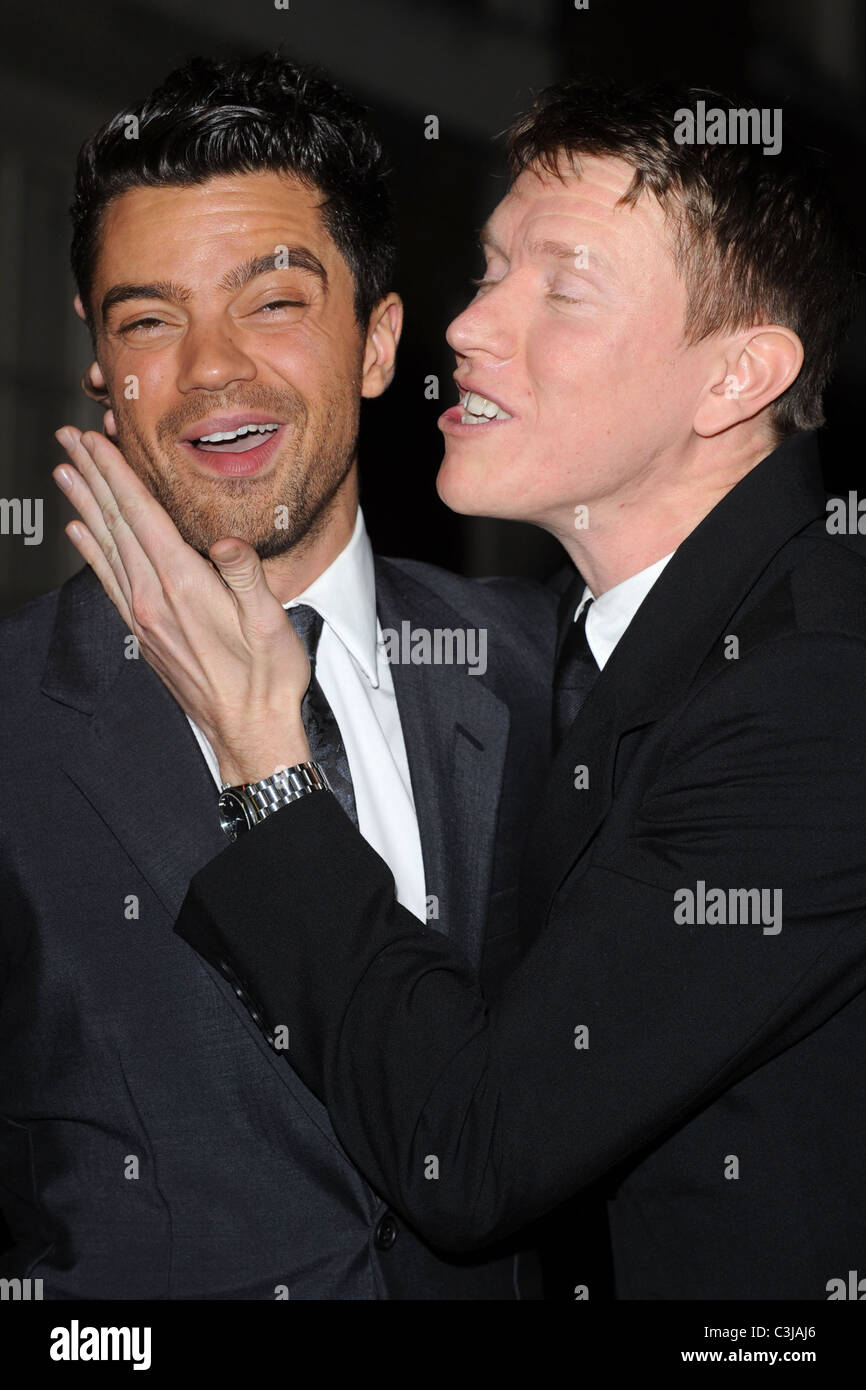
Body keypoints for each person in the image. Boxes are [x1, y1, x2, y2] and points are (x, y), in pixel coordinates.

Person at [60, 78, 865, 1301]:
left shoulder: (814, 689)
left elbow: (474, 1149)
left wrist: (267, 764)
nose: (472, 326)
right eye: (492, 272)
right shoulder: (587, 646)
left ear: (733, 379)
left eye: (562, 286)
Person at [0, 52, 556, 1300]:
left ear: (378, 342)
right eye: (149, 319)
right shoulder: (10, 722)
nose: (209, 370)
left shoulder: (546, 672)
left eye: (273, 302)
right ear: (102, 373)